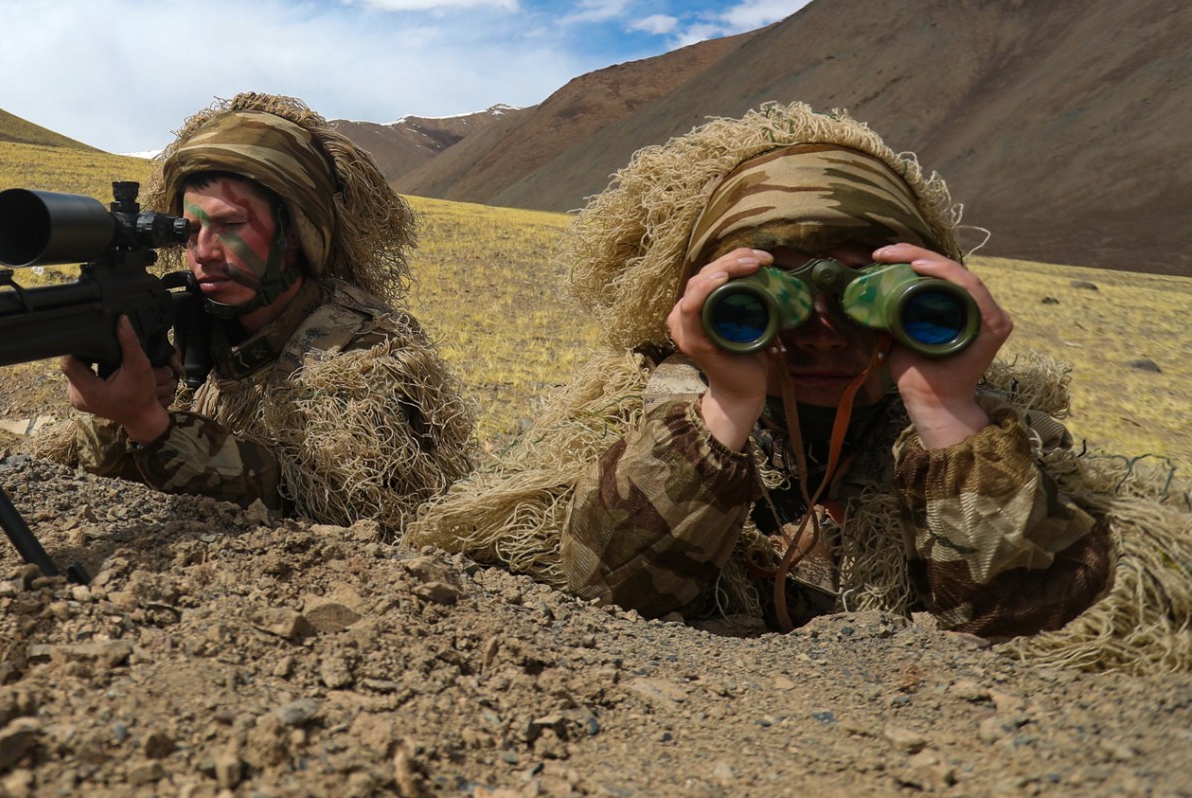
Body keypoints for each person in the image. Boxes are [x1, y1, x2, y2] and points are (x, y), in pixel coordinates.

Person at [408, 101, 1192, 673]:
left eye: (860, 289)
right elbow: (607, 585)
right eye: (775, 290)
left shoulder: (987, 427)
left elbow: (1037, 616)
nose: (821, 329)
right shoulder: (650, 409)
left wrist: (945, 408)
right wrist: (727, 403)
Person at [38, 92, 474, 535]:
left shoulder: (365, 350)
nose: (203, 252)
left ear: (294, 233)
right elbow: (107, 488)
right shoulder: (197, 326)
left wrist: (149, 423)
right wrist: (111, 411)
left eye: (230, 225)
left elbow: (338, 508)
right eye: (189, 231)